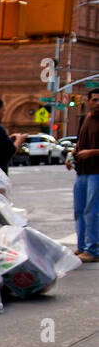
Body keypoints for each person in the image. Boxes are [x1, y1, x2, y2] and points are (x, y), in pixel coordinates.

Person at [68, 87, 99, 262]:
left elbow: (89, 148)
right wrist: (72, 155)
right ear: (87, 101)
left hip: (97, 172)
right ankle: (81, 248)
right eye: (94, 100)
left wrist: (91, 153)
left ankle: (93, 250)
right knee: (79, 211)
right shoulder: (86, 118)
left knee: (92, 212)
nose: (97, 104)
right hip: (82, 171)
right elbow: (81, 142)